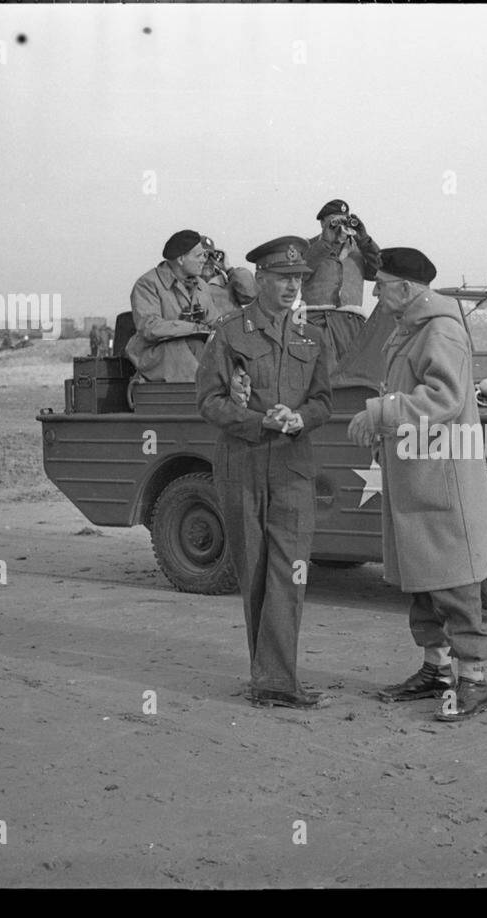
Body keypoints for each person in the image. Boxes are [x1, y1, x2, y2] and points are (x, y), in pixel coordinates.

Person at [346, 247, 487, 722]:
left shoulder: (440, 330)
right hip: (418, 475)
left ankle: (475, 683)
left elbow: (443, 397)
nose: (375, 292)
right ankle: (437, 671)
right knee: (423, 579)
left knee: (455, 581)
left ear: (406, 288)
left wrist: (379, 413)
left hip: (441, 479)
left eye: (381, 284)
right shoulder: (412, 328)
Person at [195, 236, 333, 709]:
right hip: (243, 465)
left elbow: (324, 401)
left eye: (299, 278)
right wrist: (258, 422)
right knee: (253, 568)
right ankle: (271, 680)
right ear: (262, 280)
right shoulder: (231, 332)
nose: (293, 286)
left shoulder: (312, 337)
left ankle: (277, 680)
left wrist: (300, 419)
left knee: (290, 569)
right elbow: (208, 402)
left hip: (293, 466)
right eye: (284, 278)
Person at [126, 230, 256, 383]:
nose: (204, 260)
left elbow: (213, 322)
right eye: (199, 256)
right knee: (193, 355)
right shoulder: (148, 284)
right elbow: (150, 327)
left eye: (206, 255)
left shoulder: (200, 286)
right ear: (181, 259)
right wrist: (195, 329)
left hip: (192, 349)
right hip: (155, 353)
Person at [302, 199, 381, 370]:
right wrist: (325, 243)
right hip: (317, 322)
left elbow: (378, 271)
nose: (339, 228)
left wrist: (365, 240)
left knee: (351, 374)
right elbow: (301, 272)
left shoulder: (359, 249)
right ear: (323, 223)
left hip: (351, 325)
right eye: (333, 222)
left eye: (343, 221)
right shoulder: (308, 246)